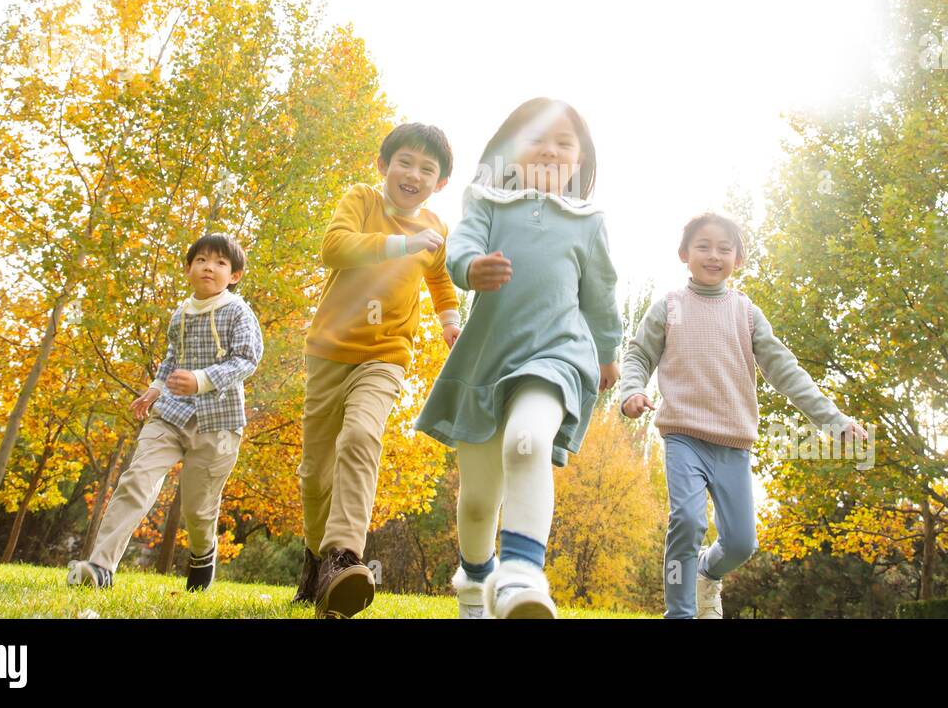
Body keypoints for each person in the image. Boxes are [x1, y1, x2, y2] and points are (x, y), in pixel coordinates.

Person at [416, 97, 622, 618]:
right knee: (480, 500)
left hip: (558, 355)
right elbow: (460, 248)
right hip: (487, 360)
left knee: (528, 442)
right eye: (537, 139)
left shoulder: (589, 222)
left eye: (564, 142)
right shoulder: (486, 201)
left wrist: (607, 351)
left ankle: (523, 574)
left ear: (580, 160)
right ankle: (475, 580)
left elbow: (600, 295)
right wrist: (471, 268)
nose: (550, 151)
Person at [619, 211, 867, 618]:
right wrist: (631, 391)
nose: (713, 255)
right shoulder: (670, 307)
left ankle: (705, 571)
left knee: (740, 544)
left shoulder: (746, 314)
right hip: (684, 436)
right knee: (687, 519)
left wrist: (833, 420)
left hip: (733, 444)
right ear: (684, 254)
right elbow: (639, 354)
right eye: (703, 246)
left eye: (724, 248)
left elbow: (786, 371)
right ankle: (680, 613)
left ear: (739, 259)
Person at [292, 122, 461, 618]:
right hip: (328, 353)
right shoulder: (361, 200)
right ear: (383, 166)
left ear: (440, 183)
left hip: (386, 354)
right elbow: (334, 247)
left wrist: (451, 322)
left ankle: (343, 556)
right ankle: (314, 559)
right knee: (314, 475)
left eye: (427, 169)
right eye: (404, 162)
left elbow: (440, 278)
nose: (413, 174)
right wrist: (399, 244)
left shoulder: (436, 228)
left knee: (362, 436)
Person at [67, 232, 263, 592]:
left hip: (218, 422)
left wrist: (202, 380)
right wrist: (154, 389)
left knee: (198, 509)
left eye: (221, 262)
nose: (209, 267)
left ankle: (203, 554)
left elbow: (247, 359)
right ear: (188, 268)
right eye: (202, 260)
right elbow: (171, 360)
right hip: (171, 414)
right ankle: (100, 567)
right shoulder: (180, 314)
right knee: (137, 479)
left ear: (233, 276)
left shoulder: (238, 311)